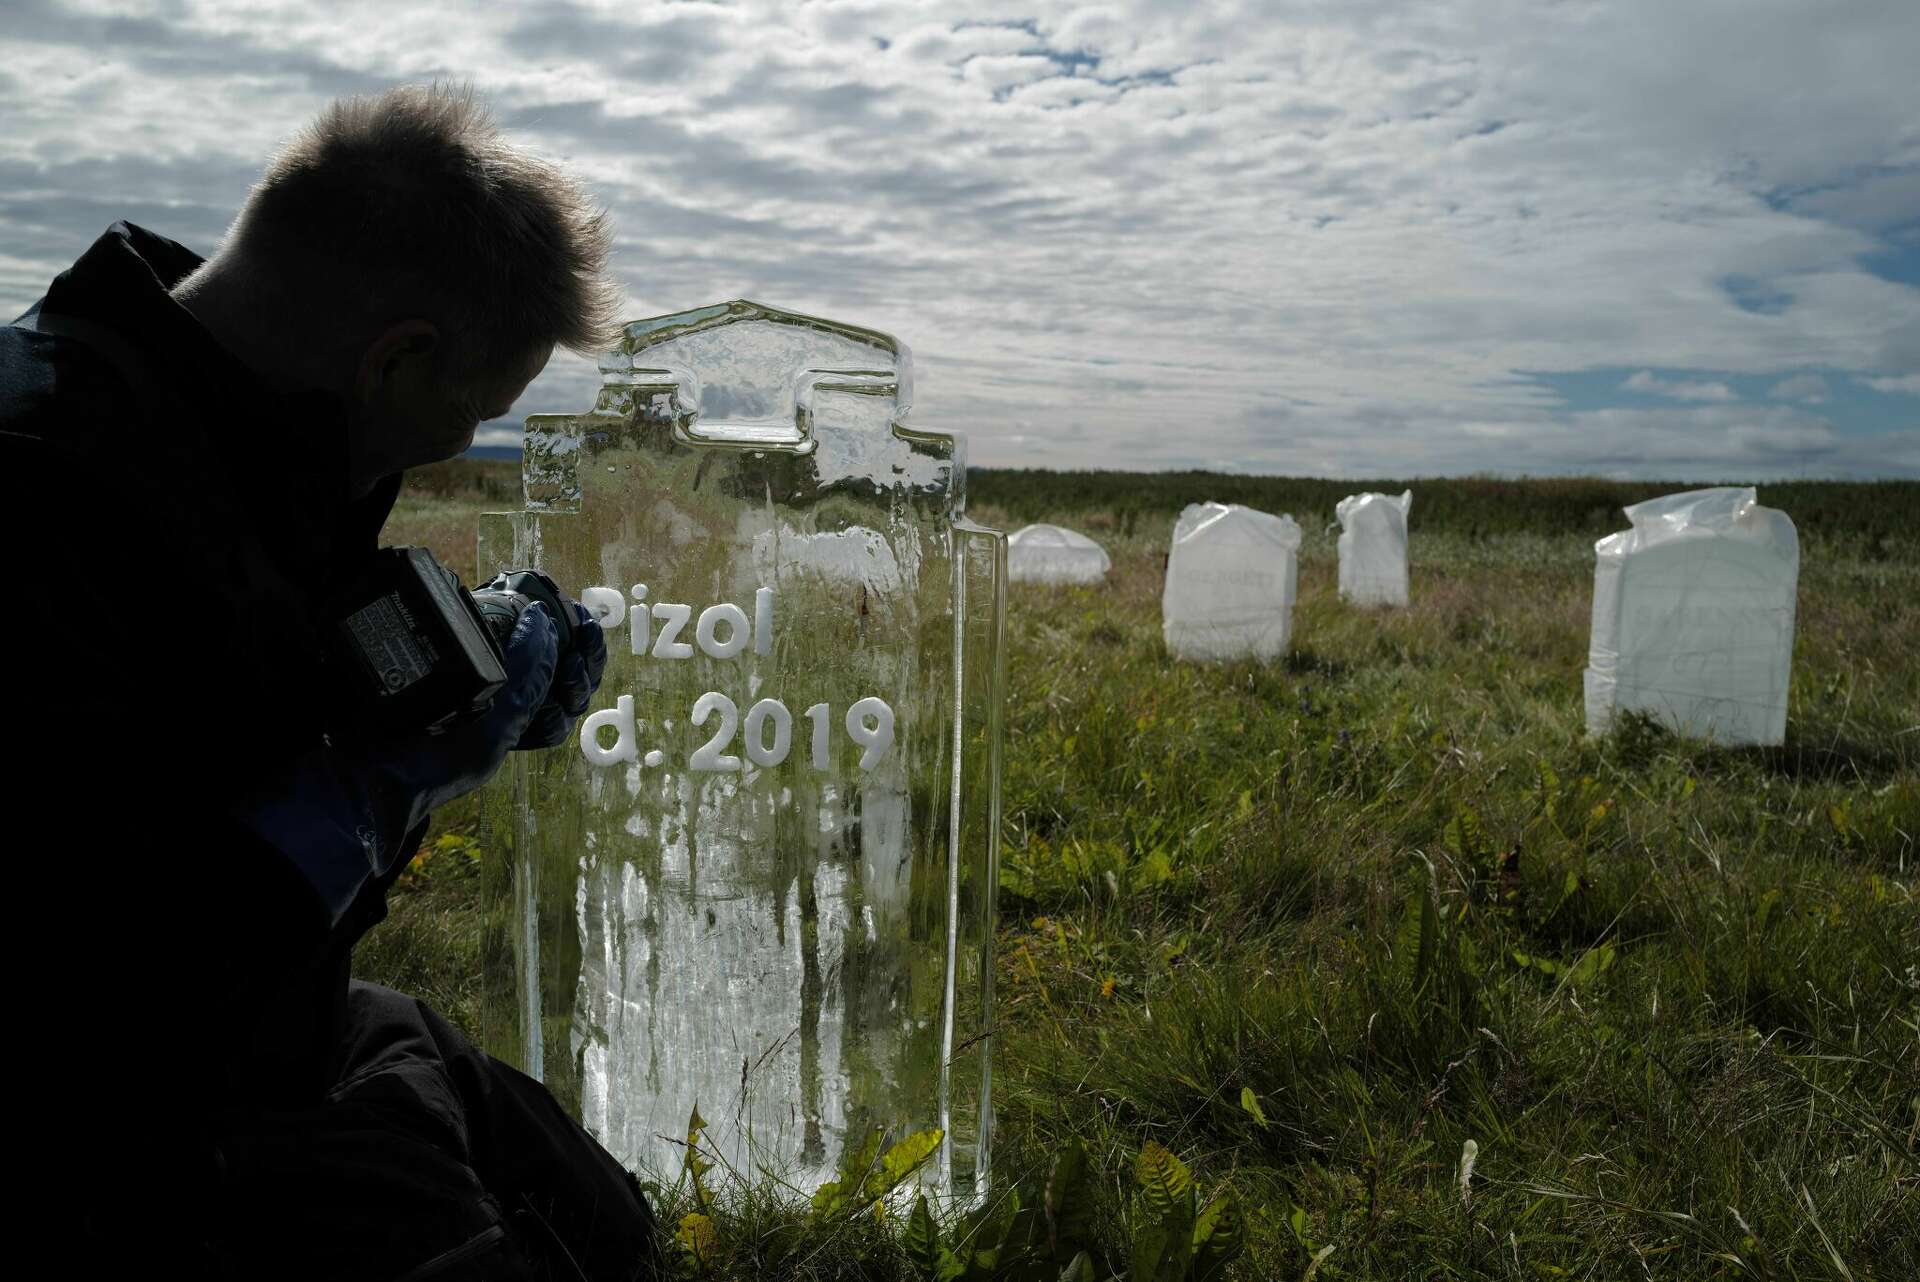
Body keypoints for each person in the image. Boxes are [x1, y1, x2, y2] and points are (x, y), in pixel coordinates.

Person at [1, 86, 659, 1278]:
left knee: (603, 1224)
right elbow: (93, 985)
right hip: (94, 1116)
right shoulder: (40, 492)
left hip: (268, 1028)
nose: (460, 445)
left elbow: (234, 694)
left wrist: (449, 681)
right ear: (398, 357)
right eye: (473, 412)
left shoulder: (230, 419)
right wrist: (372, 789)